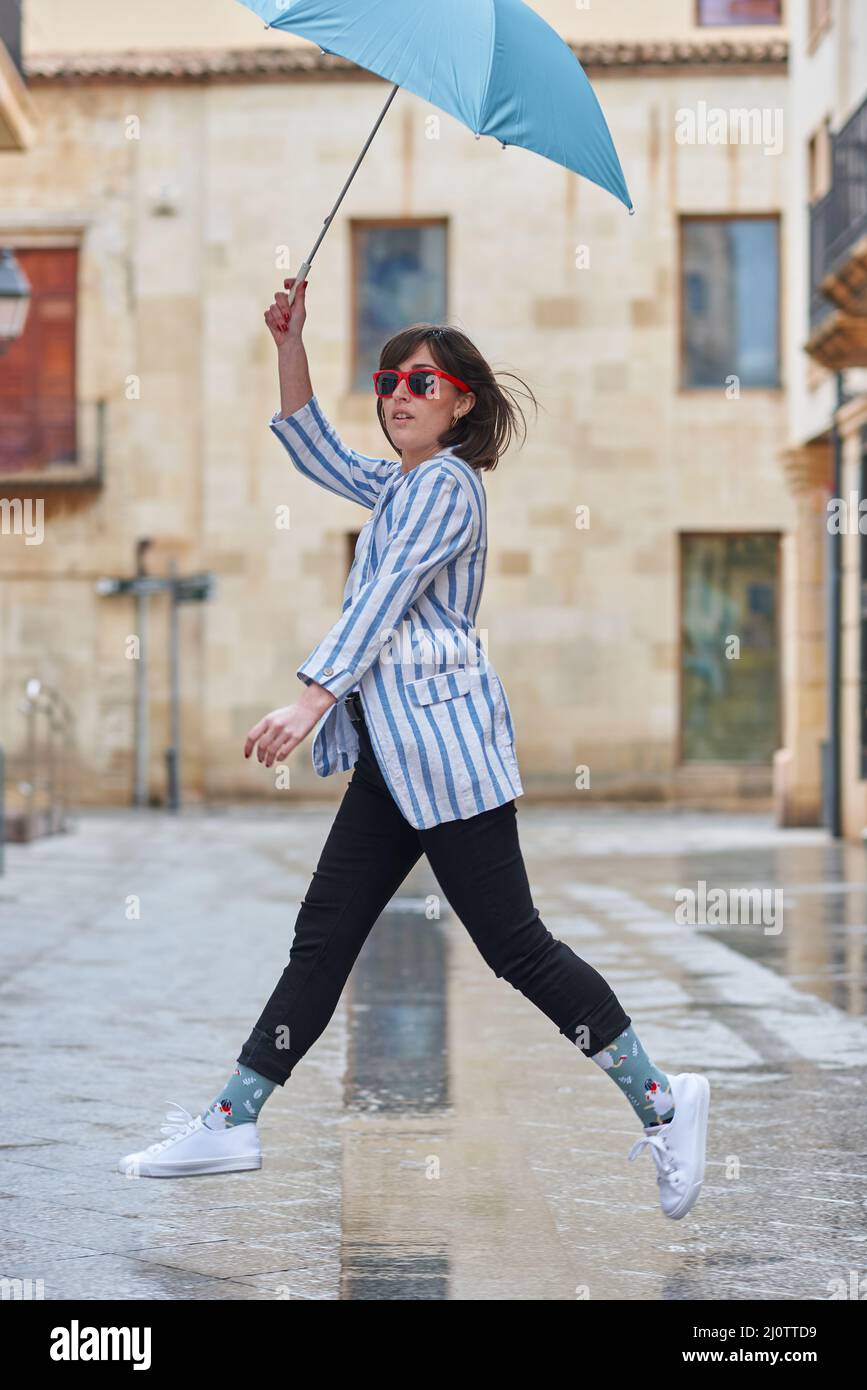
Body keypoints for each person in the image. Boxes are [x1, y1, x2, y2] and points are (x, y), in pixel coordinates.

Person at [118, 278, 710, 1220]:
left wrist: (312, 696)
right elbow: (313, 447)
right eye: (389, 378)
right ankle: (232, 1117)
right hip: (397, 762)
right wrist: (289, 343)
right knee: (322, 941)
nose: (398, 393)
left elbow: (382, 592)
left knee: (515, 948)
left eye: (421, 382)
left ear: (461, 402)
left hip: (448, 757)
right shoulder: (402, 480)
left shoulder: (447, 486)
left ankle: (665, 1100)